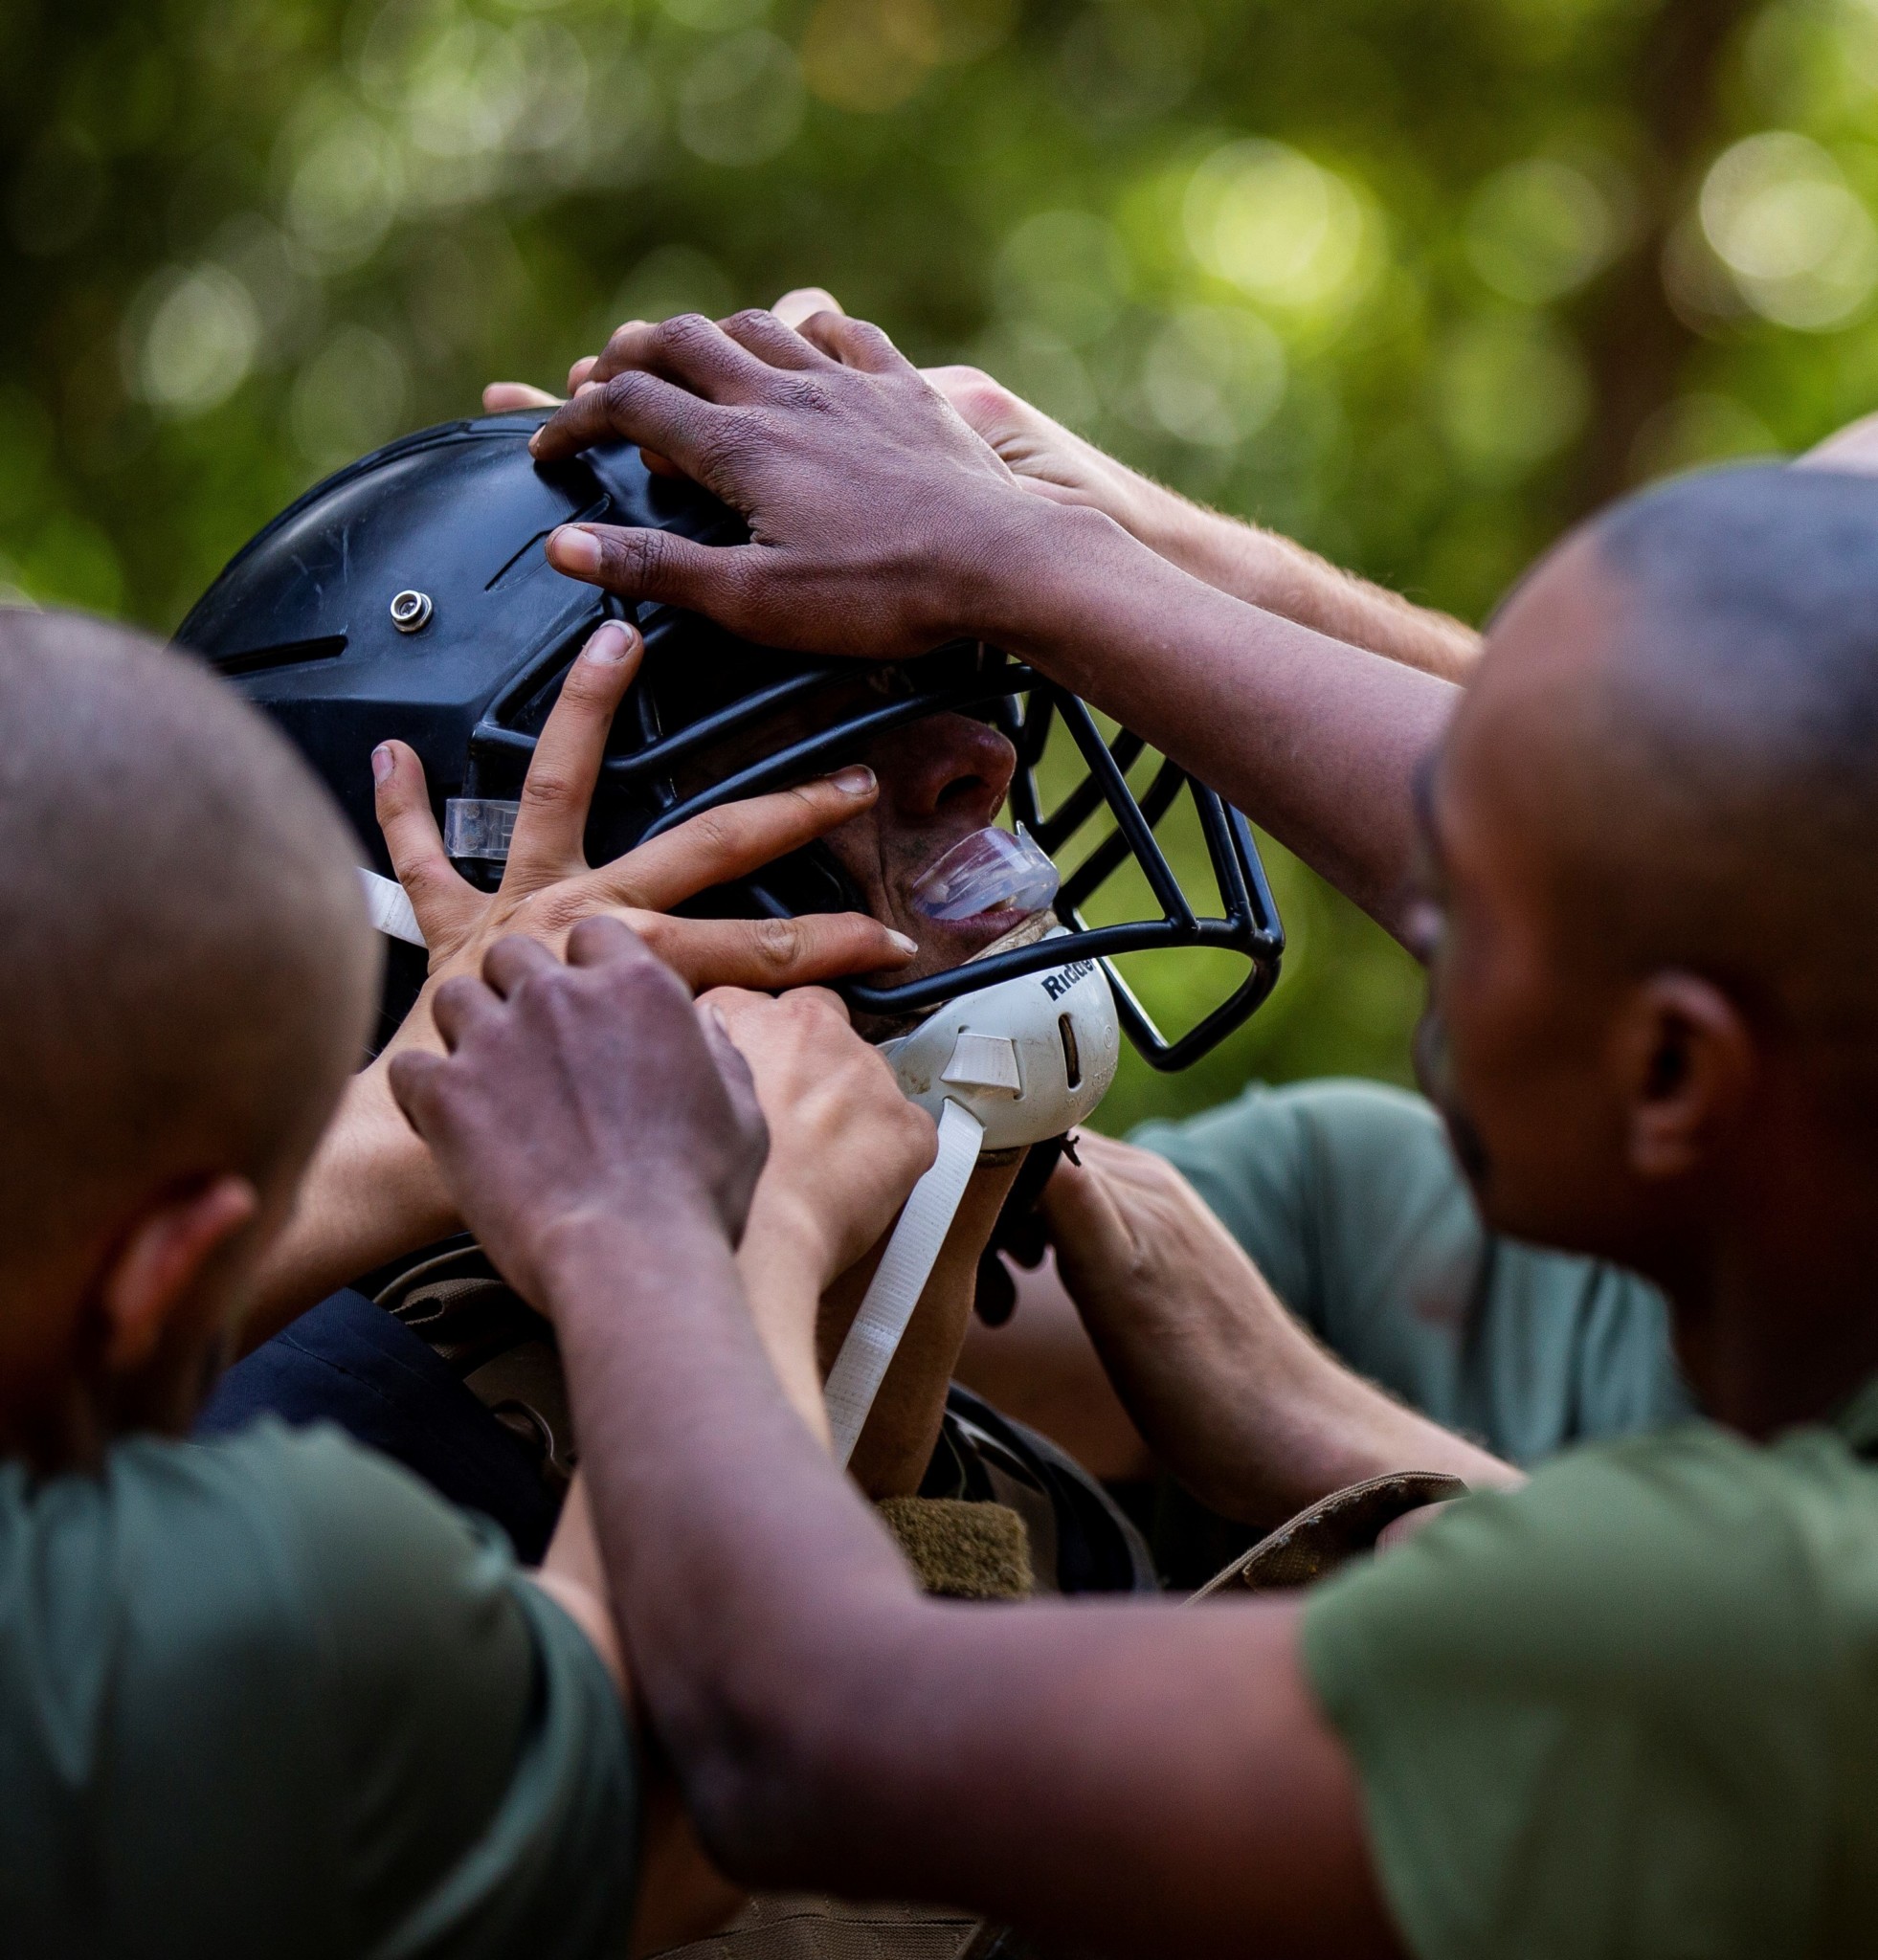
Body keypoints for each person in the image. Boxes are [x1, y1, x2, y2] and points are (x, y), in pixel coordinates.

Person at [386, 309, 1878, 1955]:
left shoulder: (1759, 1633)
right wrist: (1057, 551)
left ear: (1671, 1074)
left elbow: (789, 1728)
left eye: (1438, 895)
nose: (1392, 871)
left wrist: (636, 1220)